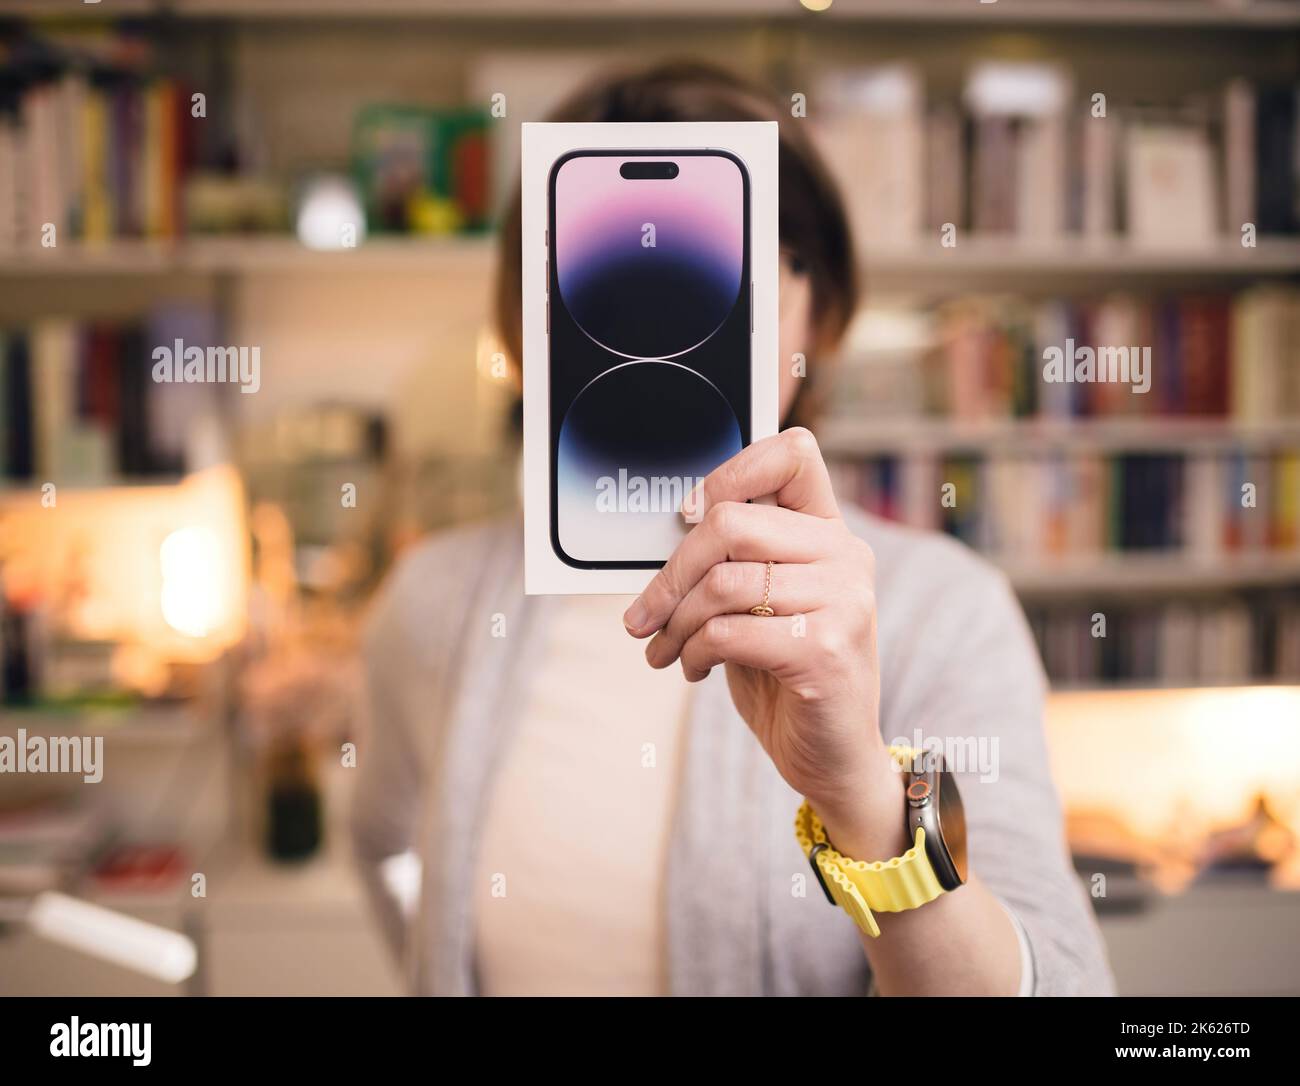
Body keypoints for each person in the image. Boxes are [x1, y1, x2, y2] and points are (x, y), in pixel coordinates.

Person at [351, 60, 1115, 997]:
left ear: (814, 312)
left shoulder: (940, 612)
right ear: (523, 325)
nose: (651, 322)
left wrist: (862, 801)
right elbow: (388, 850)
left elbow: (1066, 988)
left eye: (710, 266)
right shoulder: (434, 601)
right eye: (600, 272)